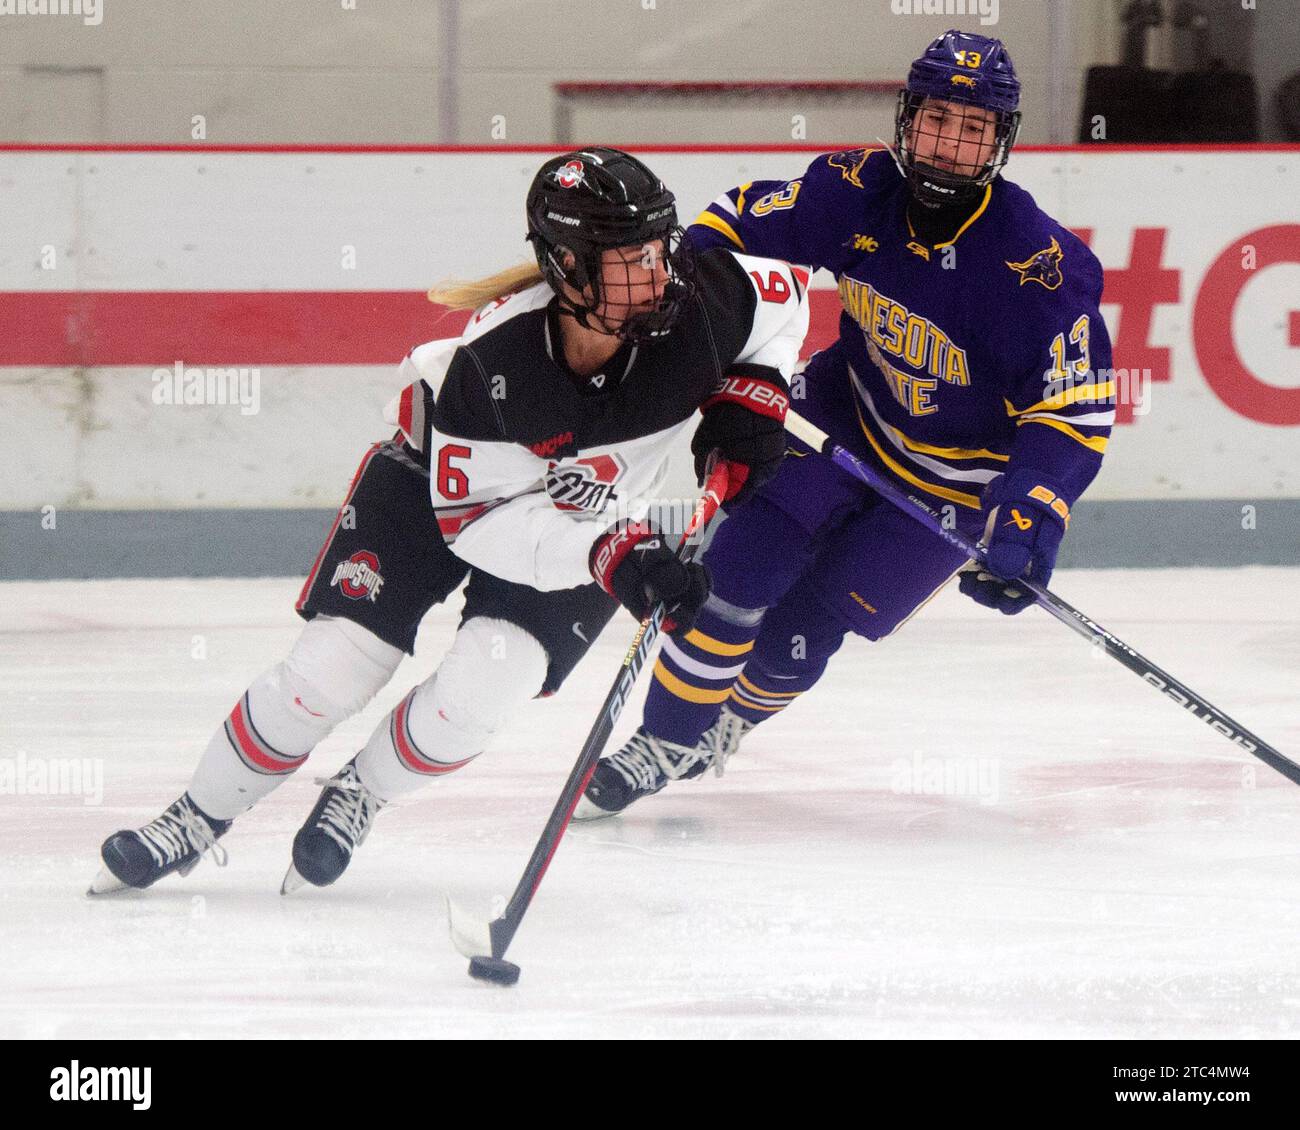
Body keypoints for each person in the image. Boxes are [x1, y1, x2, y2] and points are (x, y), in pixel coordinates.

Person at [90, 147, 808, 894]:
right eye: (629, 260)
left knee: (485, 690)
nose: (658, 275)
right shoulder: (493, 362)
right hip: (437, 493)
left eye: (658, 249)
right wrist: (610, 556)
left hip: (595, 520)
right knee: (333, 669)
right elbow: (482, 524)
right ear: (567, 266)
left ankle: (360, 793)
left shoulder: (705, 296)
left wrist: (755, 394)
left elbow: (786, 303)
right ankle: (196, 816)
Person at [576, 30, 1116, 819]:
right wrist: (702, 325)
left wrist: (1031, 512)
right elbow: (728, 232)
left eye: (974, 129)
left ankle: (726, 723)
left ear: (1002, 142)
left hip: (955, 484)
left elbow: (1071, 409)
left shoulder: (1039, 268)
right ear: (906, 119)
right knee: (742, 568)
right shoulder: (854, 191)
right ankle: (667, 737)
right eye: (938, 120)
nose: (951, 145)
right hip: (840, 416)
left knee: (810, 627)